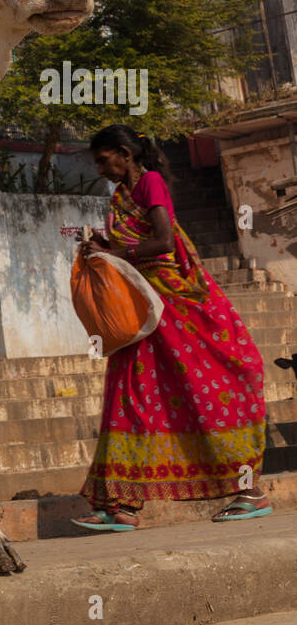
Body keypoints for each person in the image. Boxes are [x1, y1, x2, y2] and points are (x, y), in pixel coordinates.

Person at [72, 125, 270, 530]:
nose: (101, 169)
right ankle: (120, 504)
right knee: (130, 394)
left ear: (125, 154)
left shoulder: (151, 183)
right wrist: (102, 248)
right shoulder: (120, 195)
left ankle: (249, 491)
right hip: (142, 308)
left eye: (104, 160)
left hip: (171, 302)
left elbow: (163, 242)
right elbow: (133, 244)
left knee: (203, 389)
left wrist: (117, 251)